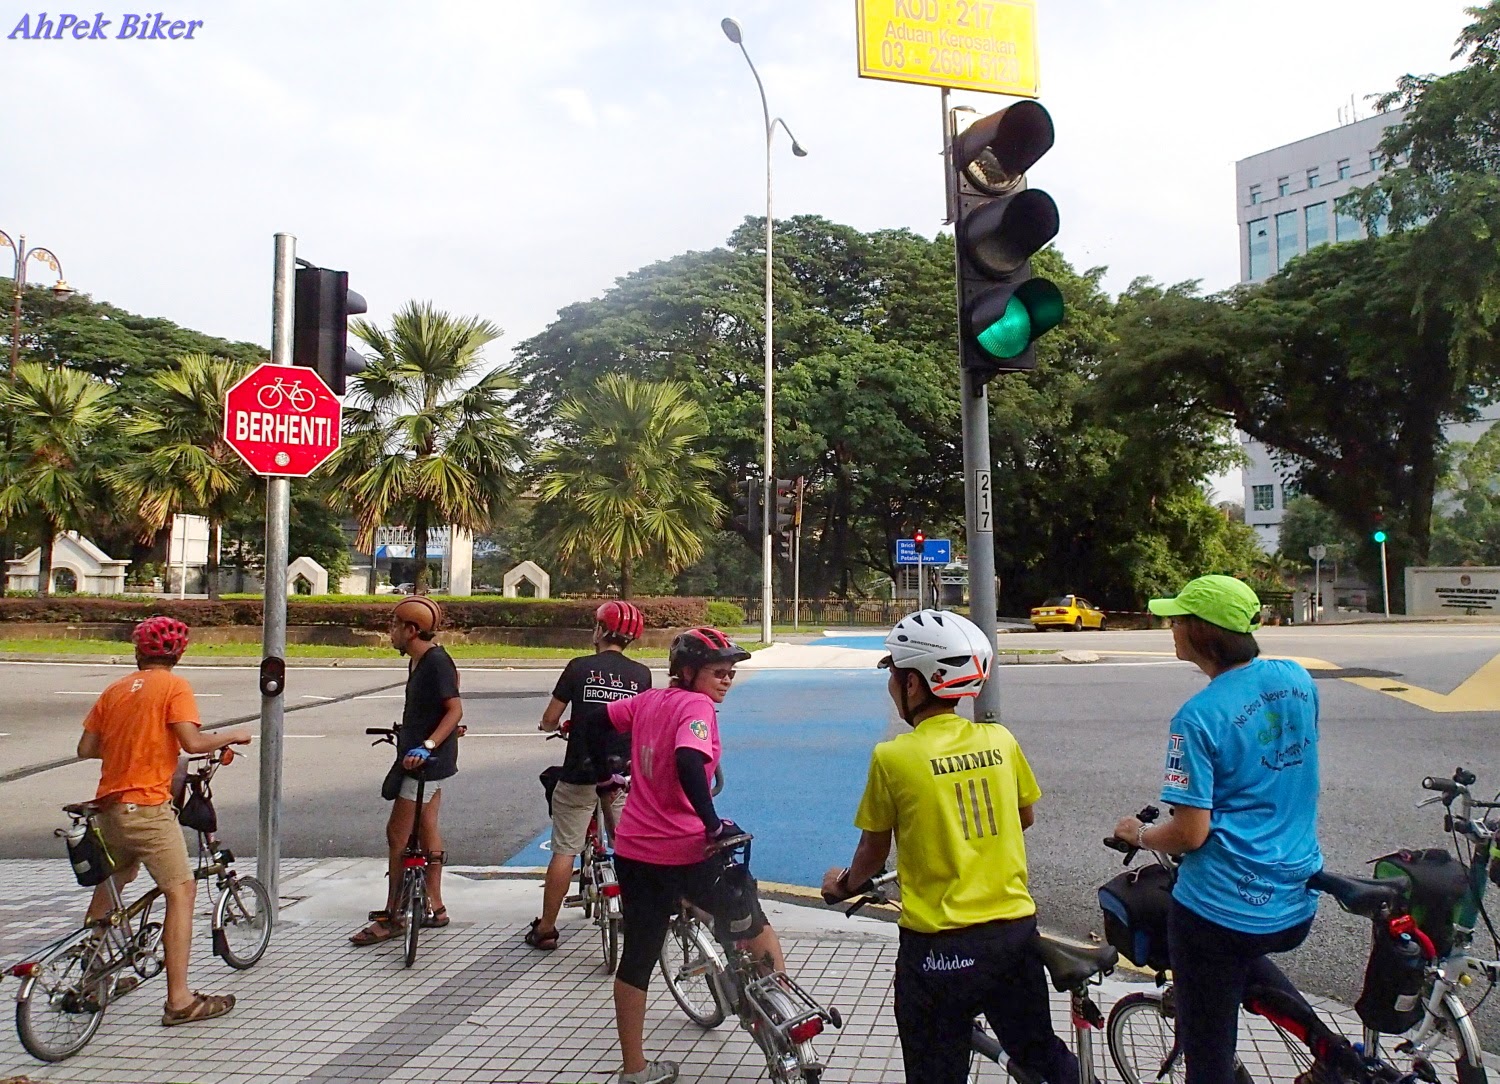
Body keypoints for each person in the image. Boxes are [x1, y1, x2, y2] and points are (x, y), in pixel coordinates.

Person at [821, 609, 1078, 1084]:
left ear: (914, 685)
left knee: (936, 1070)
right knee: (1040, 1053)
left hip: (939, 949)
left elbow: (871, 856)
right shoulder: (999, 739)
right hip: (1014, 936)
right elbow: (1023, 816)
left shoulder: (894, 756)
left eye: (894, 675)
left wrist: (840, 887)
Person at [1112, 575, 1322, 1084]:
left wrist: (1137, 835)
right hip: (1296, 896)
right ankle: (1331, 1053)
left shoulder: (1198, 717)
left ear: (1201, 634)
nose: (1170, 628)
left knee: (1207, 1052)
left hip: (1222, 908)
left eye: (1178, 619)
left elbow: (1189, 834)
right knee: (1241, 961)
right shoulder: (1297, 678)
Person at [602, 626, 784, 1084]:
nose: (726, 680)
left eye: (730, 673)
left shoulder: (648, 700)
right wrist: (711, 822)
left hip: (635, 850)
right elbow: (687, 759)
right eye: (717, 672)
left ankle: (635, 1070)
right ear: (687, 672)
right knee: (752, 922)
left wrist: (606, 764)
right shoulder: (696, 706)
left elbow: (605, 719)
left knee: (638, 954)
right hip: (686, 849)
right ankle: (785, 1019)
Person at [76, 616, 252, 1027]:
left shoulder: (115, 689)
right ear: (179, 653)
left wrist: (131, 750)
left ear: (137, 652)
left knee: (115, 881)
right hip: (147, 809)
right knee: (182, 891)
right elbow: (191, 742)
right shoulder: (175, 687)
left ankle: (89, 971)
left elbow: (86, 747)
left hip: (108, 809)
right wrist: (234, 736)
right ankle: (179, 1000)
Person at [526, 600, 652, 950]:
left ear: (599, 630)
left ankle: (547, 928)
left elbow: (550, 718)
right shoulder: (642, 675)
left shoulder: (579, 667)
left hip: (581, 771)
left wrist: (553, 726)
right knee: (628, 846)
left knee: (565, 849)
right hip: (620, 775)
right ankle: (634, 915)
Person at [350, 595, 463, 945]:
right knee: (427, 826)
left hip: (423, 763)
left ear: (412, 630)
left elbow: (455, 709)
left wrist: (428, 744)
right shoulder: (420, 662)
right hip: (426, 757)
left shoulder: (435, 663)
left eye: (395, 626)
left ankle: (394, 916)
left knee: (397, 836)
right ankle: (436, 906)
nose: (390, 632)